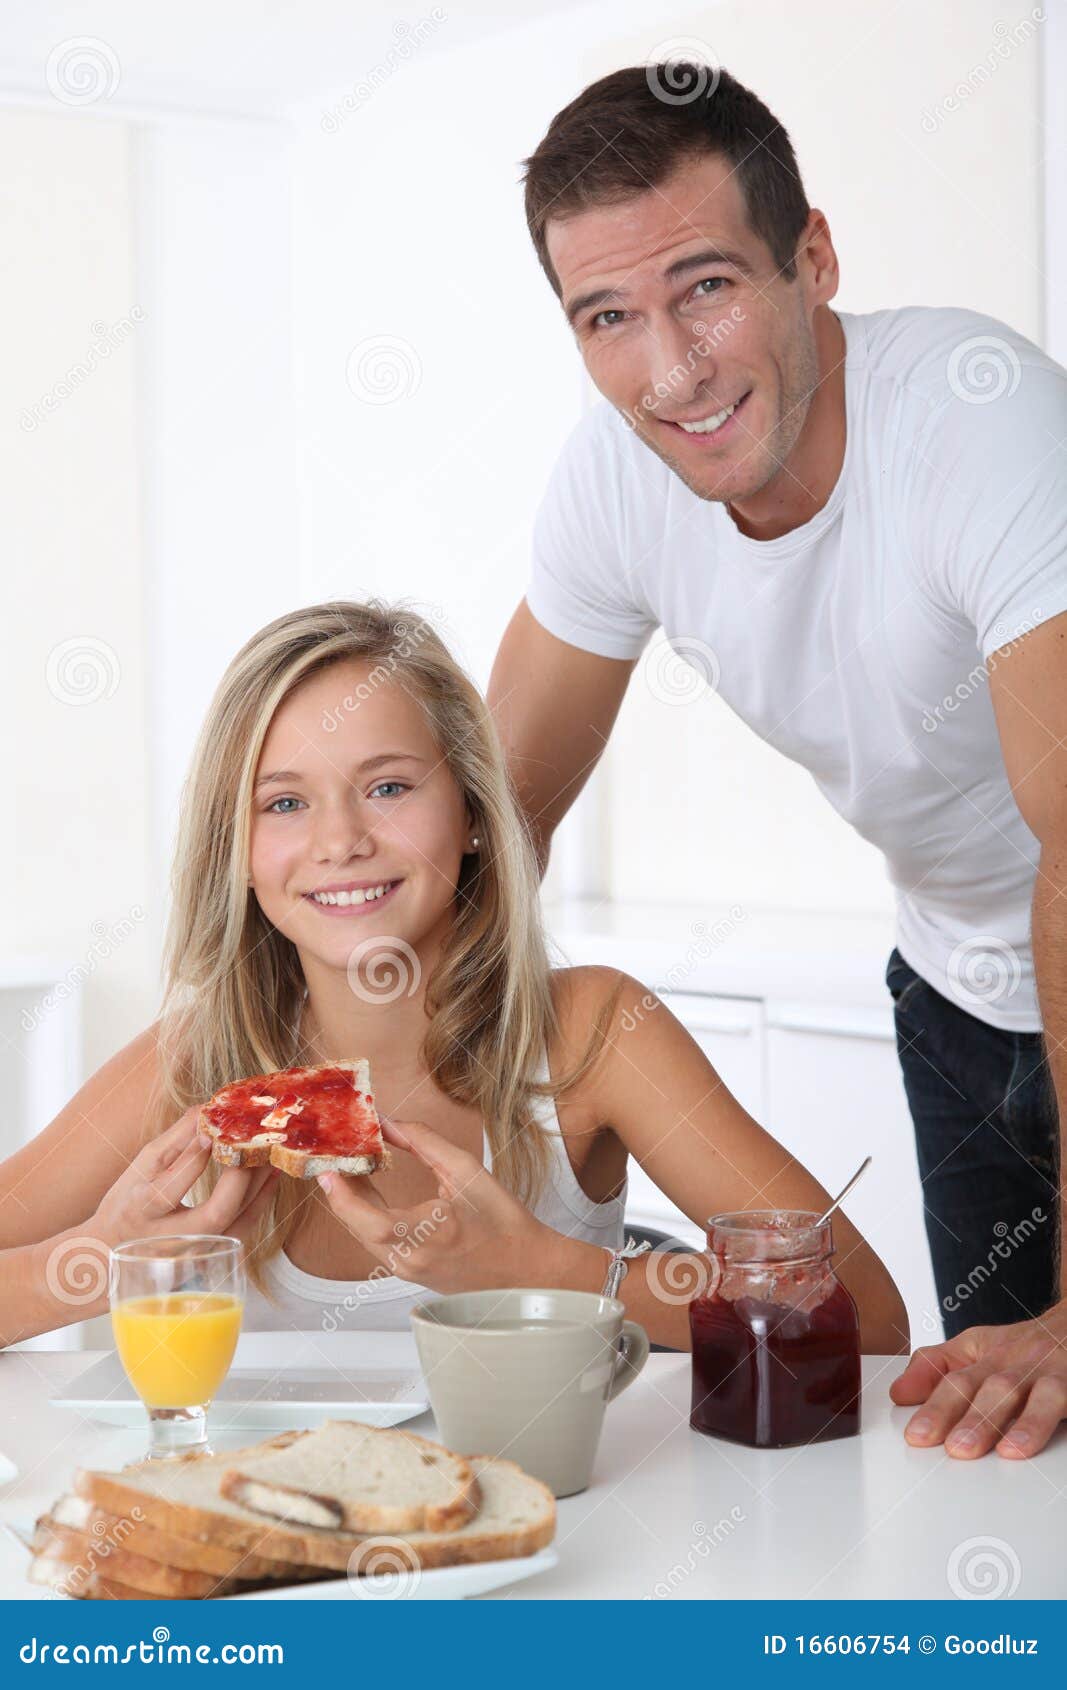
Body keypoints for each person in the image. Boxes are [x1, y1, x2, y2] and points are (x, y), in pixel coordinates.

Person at [487, 63, 1067, 1456]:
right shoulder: (615, 479)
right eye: (607, 317)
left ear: (810, 258)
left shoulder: (978, 417)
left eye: (703, 286)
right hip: (954, 991)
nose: (669, 370)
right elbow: (492, 817)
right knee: (1001, 1446)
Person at [0, 600, 906, 1362]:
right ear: (235, 850)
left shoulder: (594, 1032)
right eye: (284, 803)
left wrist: (542, 1270)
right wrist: (96, 1259)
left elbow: (866, 1316)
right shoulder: (194, 1065)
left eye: (388, 788)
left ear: (472, 811)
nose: (340, 840)